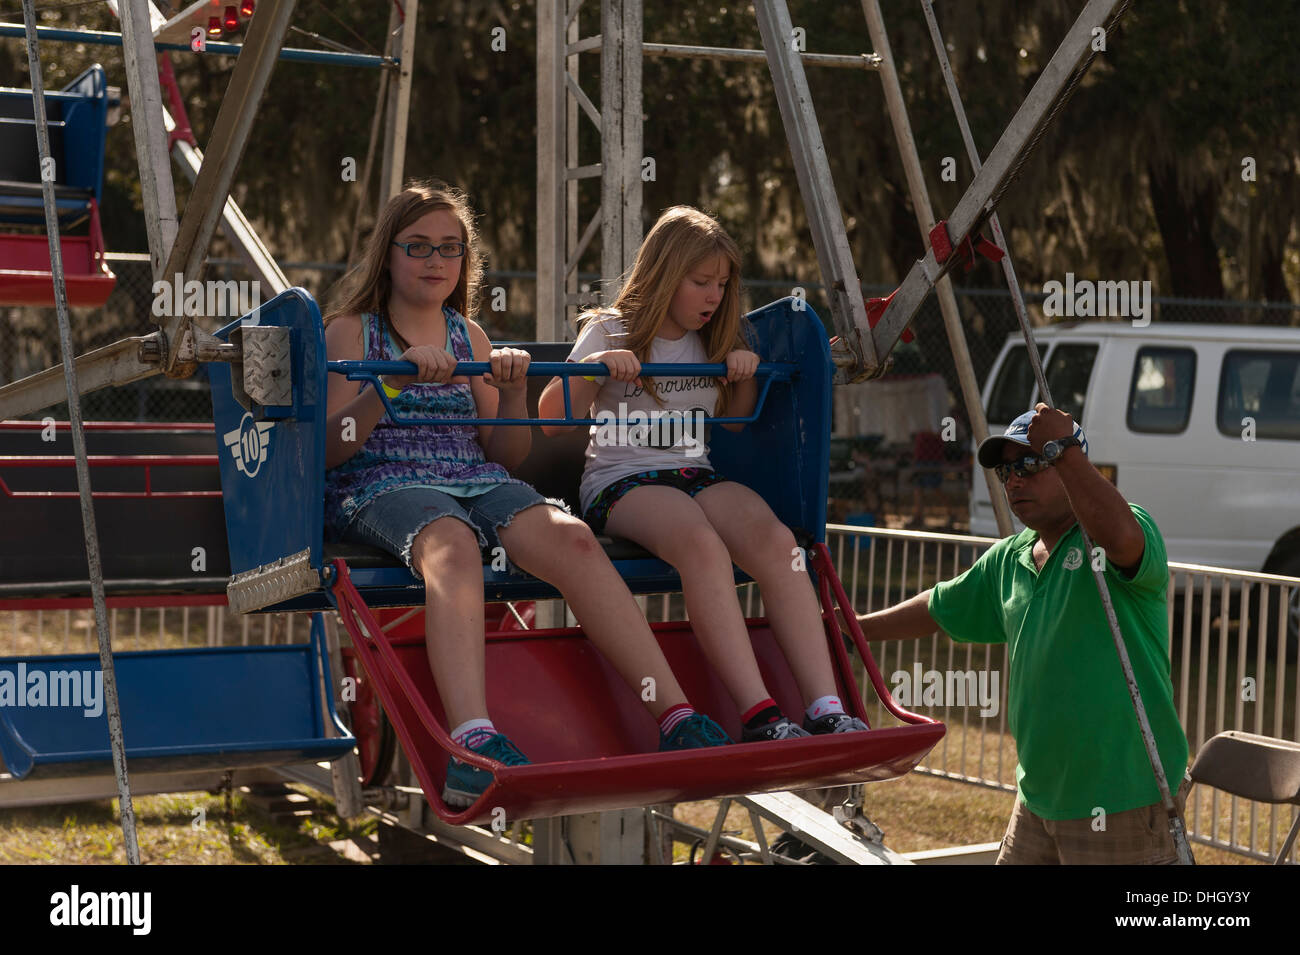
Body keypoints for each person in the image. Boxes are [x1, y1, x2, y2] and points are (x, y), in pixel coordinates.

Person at [322, 183, 728, 808]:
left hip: (474, 478)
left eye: (449, 249)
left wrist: (511, 394)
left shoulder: (471, 339)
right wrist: (387, 388)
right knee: (452, 548)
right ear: (389, 253)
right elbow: (333, 446)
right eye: (419, 247)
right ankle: (471, 743)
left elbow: (506, 455)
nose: (435, 261)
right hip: (383, 483)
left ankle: (674, 715)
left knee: (573, 539)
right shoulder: (351, 332)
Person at [539, 205, 867, 742]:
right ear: (665, 275)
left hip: (693, 474)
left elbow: (734, 426)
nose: (714, 296)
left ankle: (825, 706)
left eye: (721, 283)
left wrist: (743, 375)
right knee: (701, 544)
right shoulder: (611, 329)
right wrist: (595, 371)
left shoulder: (717, 338)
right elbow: (552, 421)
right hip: (625, 481)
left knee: (777, 542)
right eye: (700, 282)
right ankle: (759, 713)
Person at [850, 404, 1190, 864]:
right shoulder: (1009, 558)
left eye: (1031, 464)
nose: (1014, 480)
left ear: (1070, 465)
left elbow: (1125, 540)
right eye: (1007, 470)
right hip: (1037, 799)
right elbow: (937, 606)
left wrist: (1067, 451)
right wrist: (851, 630)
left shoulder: (1118, 531)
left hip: (1122, 799)